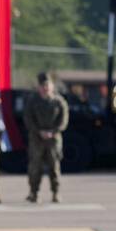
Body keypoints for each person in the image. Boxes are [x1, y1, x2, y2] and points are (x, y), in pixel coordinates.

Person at [24, 72, 68, 203]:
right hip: (37, 139)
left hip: (53, 139)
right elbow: (28, 119)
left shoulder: (59, 102)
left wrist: (53, 132)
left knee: (54, 167)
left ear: (52, 86)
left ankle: (55, 193)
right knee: (34, 167)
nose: (45, 88)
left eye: (47, 85)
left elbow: (63, 121)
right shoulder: (32, 101)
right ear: (38, 87)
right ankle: (34, 193)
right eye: (42, 85)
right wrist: (39, 132)